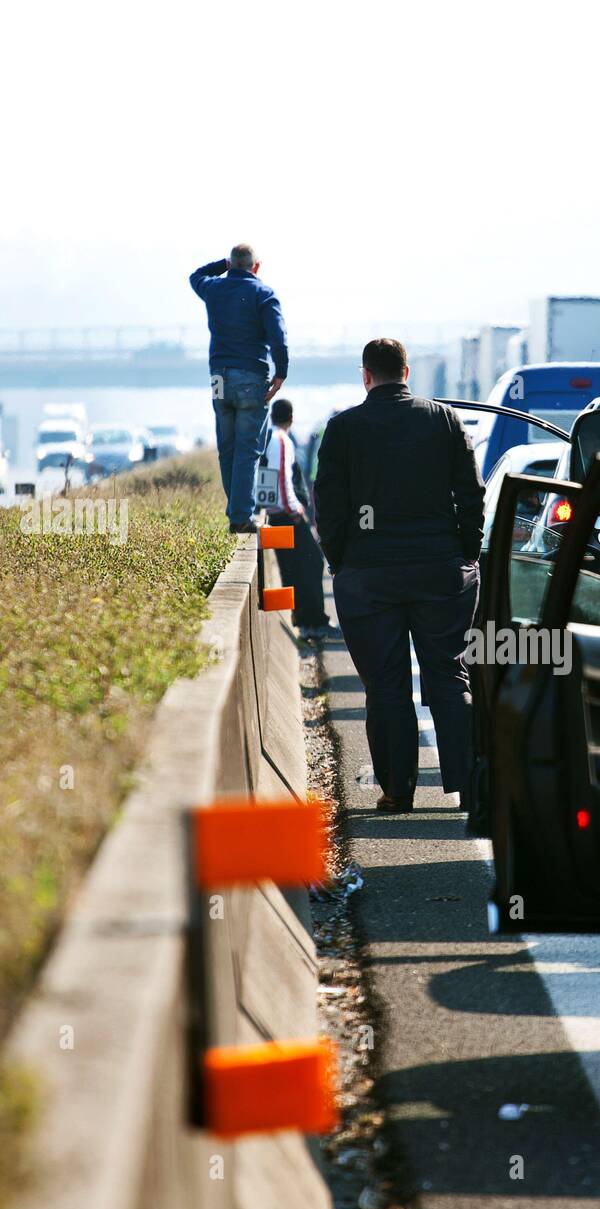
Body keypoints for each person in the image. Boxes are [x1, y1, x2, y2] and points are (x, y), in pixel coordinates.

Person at [315, 338, 484, 813]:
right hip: (441, 572)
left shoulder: (343, 429)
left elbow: (328, 507)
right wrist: (465, 553)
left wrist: (341, 561)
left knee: (386, 686)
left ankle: (397, 790)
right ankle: (469, 786)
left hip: (369, 578)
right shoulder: (444, 419)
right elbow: (472, 493)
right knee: (451, 675)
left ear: (365, 376)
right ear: (407, 372)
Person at [189, 244, 289, 532]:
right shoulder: (264, 294)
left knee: (227, 447)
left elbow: (195, 276)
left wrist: (223, 264)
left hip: (218, 379)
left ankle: (237, 511)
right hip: (251, 377)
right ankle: (241, 517)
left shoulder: (214, 289)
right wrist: (280, 373)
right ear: (256, 267)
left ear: (232, 265)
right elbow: (278, 339)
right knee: (248, 448)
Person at [262, 398, 332, 639]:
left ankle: (303, 619)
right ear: (291, 417)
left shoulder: (269, 438)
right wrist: (295, 509)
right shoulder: (282, 440)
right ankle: (315, 620)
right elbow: (281, 478)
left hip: (275, 514)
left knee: (293, 569)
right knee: (313, 562)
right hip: (287, 514)